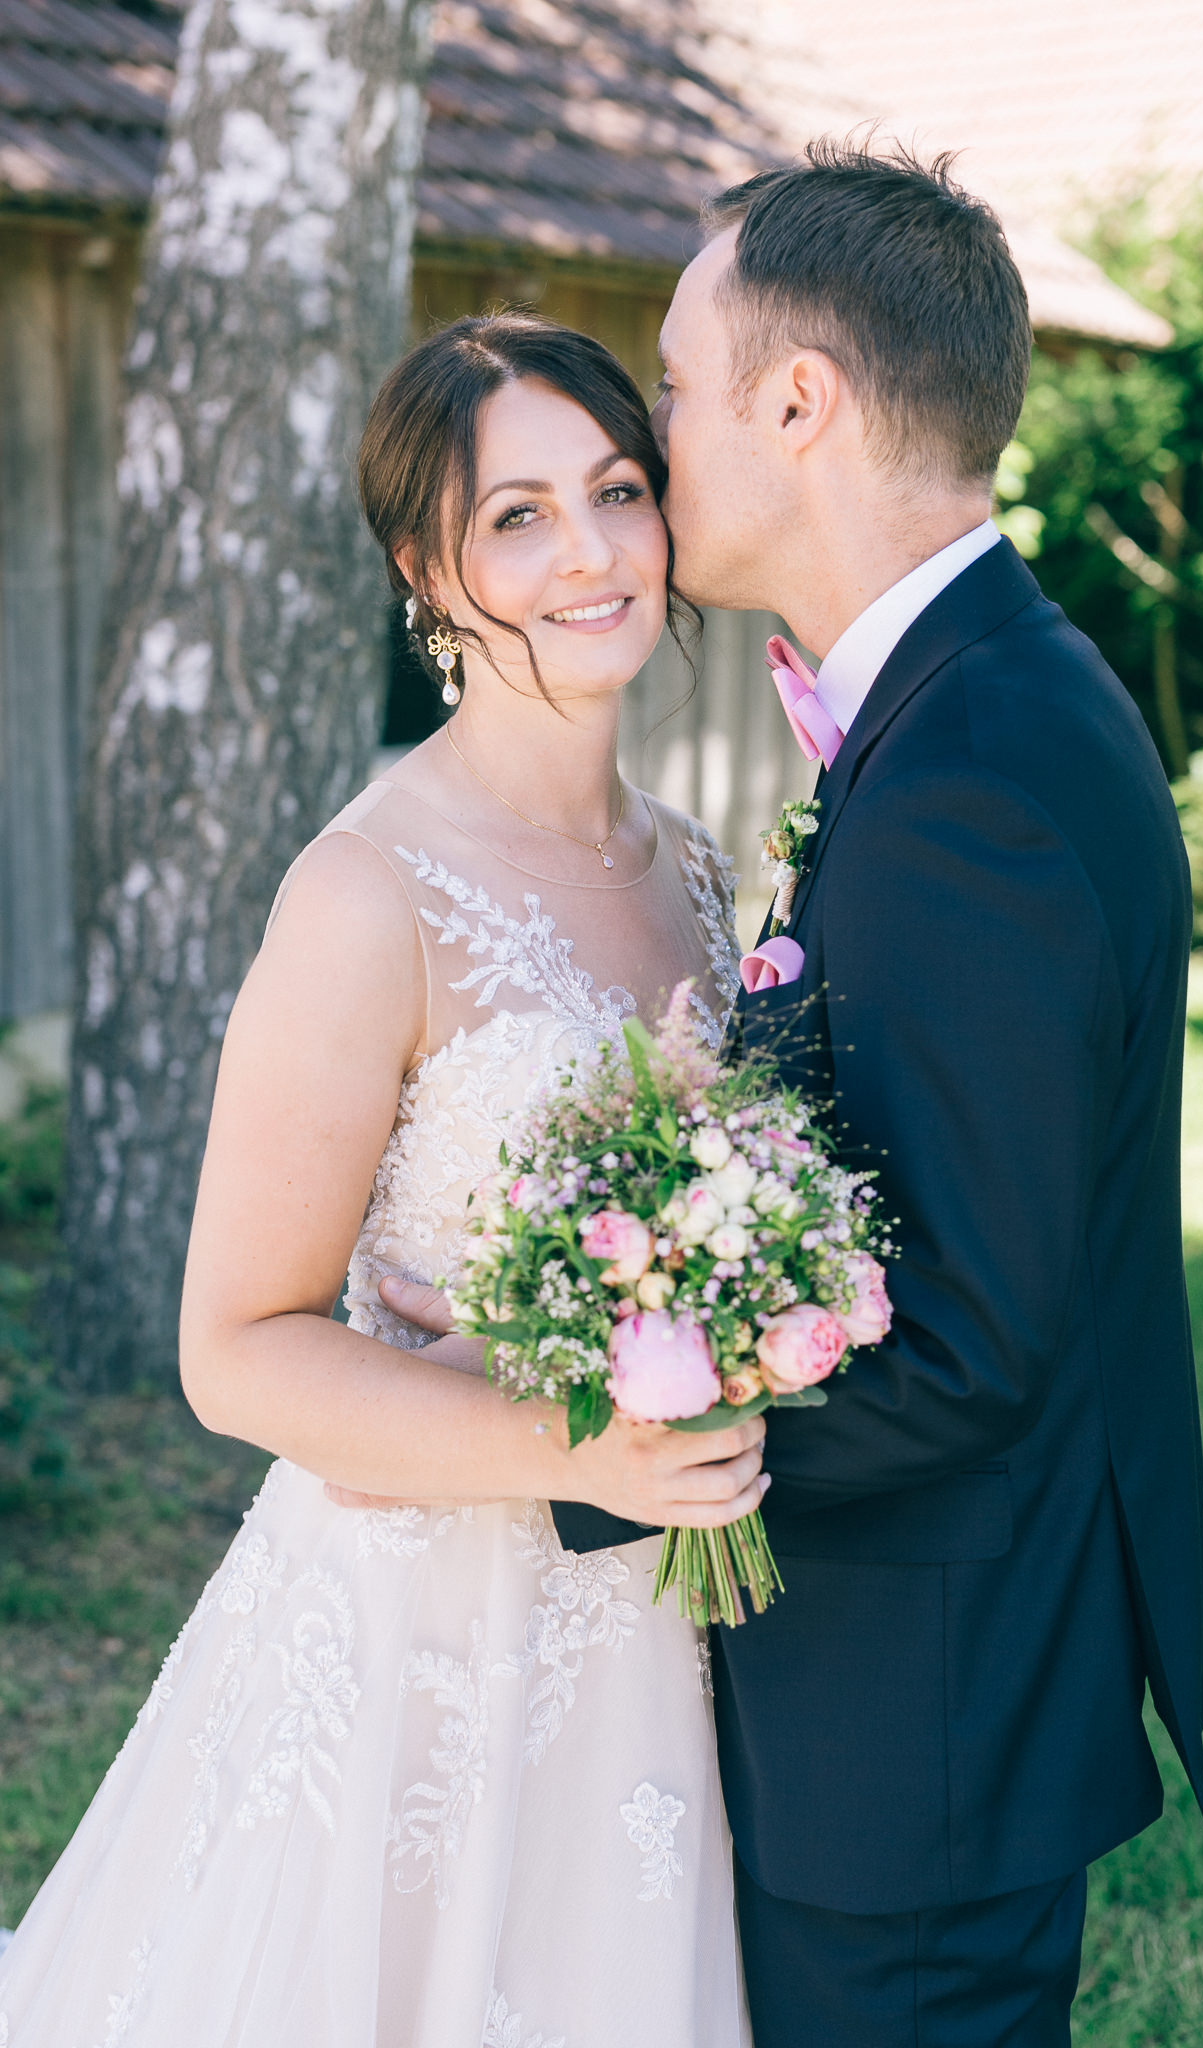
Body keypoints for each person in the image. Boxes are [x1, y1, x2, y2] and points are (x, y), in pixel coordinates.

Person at [0, 315, 757, 2048]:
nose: (588, 553)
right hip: (426, 1631)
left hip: (671, 1642)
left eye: (618, 491)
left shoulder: (700, 874)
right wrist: (580, 1443)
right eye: (517, 517)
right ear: (427, 564)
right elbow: (239, 1346)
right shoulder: (369, 894)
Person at [546, 142, 1203, 2046]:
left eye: (672, 387)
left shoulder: (972, 776)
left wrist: (603, 1440)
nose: (659, 434)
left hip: (919, 1733)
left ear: (796, 401)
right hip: (926, 1693)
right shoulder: (977, 700)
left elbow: (969, 1340)